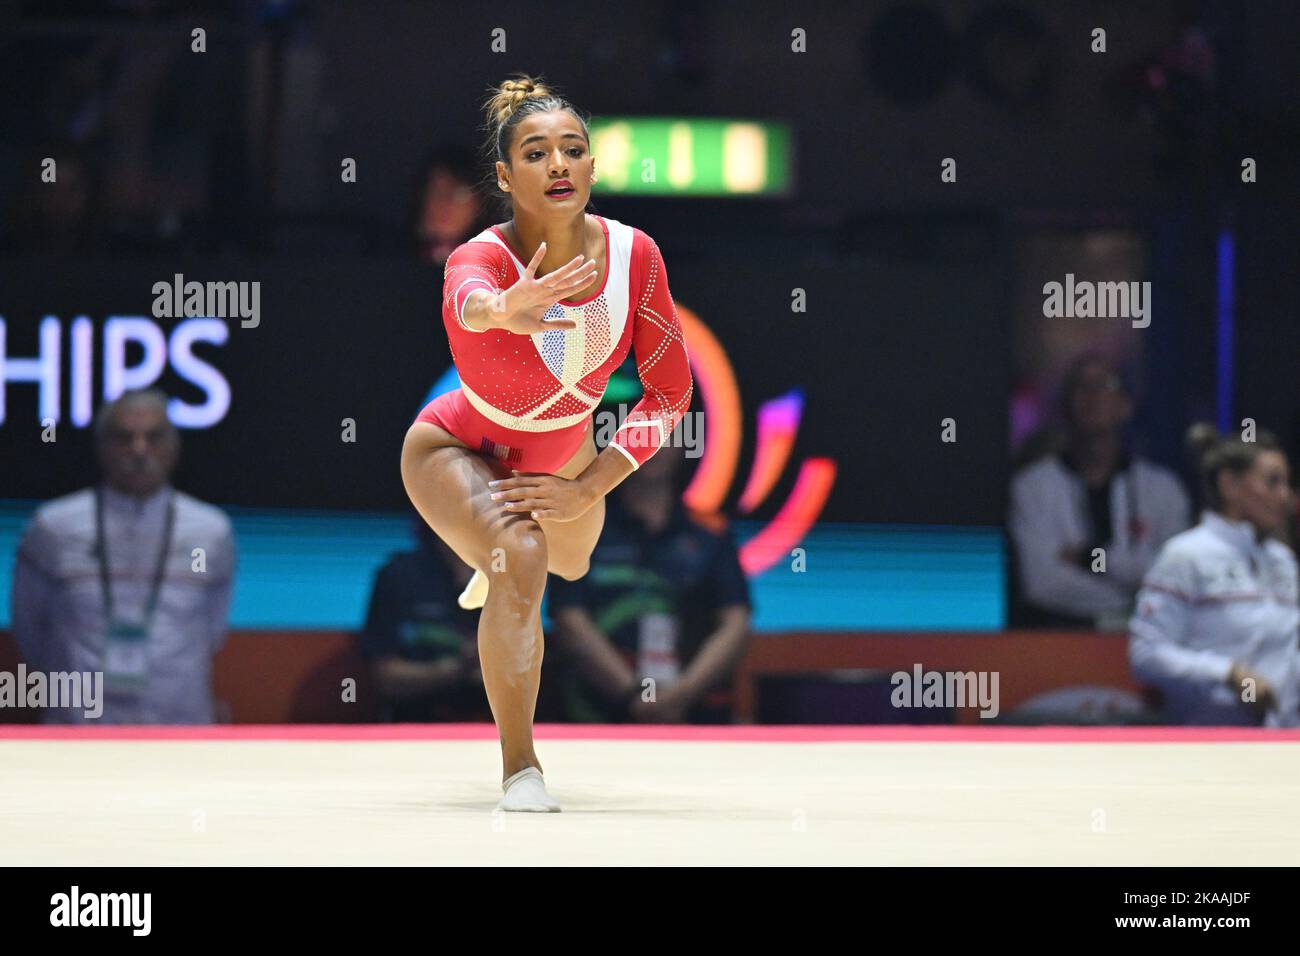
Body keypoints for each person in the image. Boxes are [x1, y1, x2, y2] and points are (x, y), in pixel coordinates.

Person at [399, 74, 693, 812]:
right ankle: (520, 769)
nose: (558, 165)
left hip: (558, 464)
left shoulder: (636, 259)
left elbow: (671, 393)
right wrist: (506, 308)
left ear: (592, 168)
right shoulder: (480, 260)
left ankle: (492, 554)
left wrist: (587, 486)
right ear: (504, 176)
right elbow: (467, 306)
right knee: (523, 557)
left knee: (572, 555)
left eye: (573, 150)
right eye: (536, 153)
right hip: (454, 448)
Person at [12, 388, 236, 723]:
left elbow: (212, 630)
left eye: (154, 437)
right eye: (124, 437)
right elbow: (30, 627)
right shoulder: (54, 527)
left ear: (174, 447)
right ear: (101, 446)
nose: (139, 449)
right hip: (78, 729)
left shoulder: (210, 532)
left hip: (179, 728)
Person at [549, 441, 753, 724]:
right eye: (641, 437)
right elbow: (569, 618)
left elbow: (735, 622)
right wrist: (634, 695)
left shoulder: (711, 532)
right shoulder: (584, 525)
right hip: (597, 717)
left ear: (685, 447)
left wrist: (680, 695)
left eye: (665, 437)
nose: (654, 448)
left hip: (695, 717)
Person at [1129, 424, 1300, 726]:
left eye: (1287, 484)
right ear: (1229, 485)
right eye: (1272, 483)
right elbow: (1146, 652)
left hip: (1284, 744)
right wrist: (1228, 674)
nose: (1284, 496)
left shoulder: (1283, 561)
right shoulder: (1185, 555)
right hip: (1208, 745)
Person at [1008, 353, 1191, 628]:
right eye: (1081, 387)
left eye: (1104, 385)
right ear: (1065, 404)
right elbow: (1041, 583)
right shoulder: (1032, 486)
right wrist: (1129, 585)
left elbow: (1172, 581)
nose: (1092, 397)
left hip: (1147, 636)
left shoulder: (1163, 489)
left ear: (1126, 405)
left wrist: (1087, 558)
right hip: (1056, 637)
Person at [358, 513, 492, 722]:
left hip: (490, 726)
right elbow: (386, 677)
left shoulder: (504, 574)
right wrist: (458, 669)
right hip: (414, 722)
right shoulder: (399, 576)